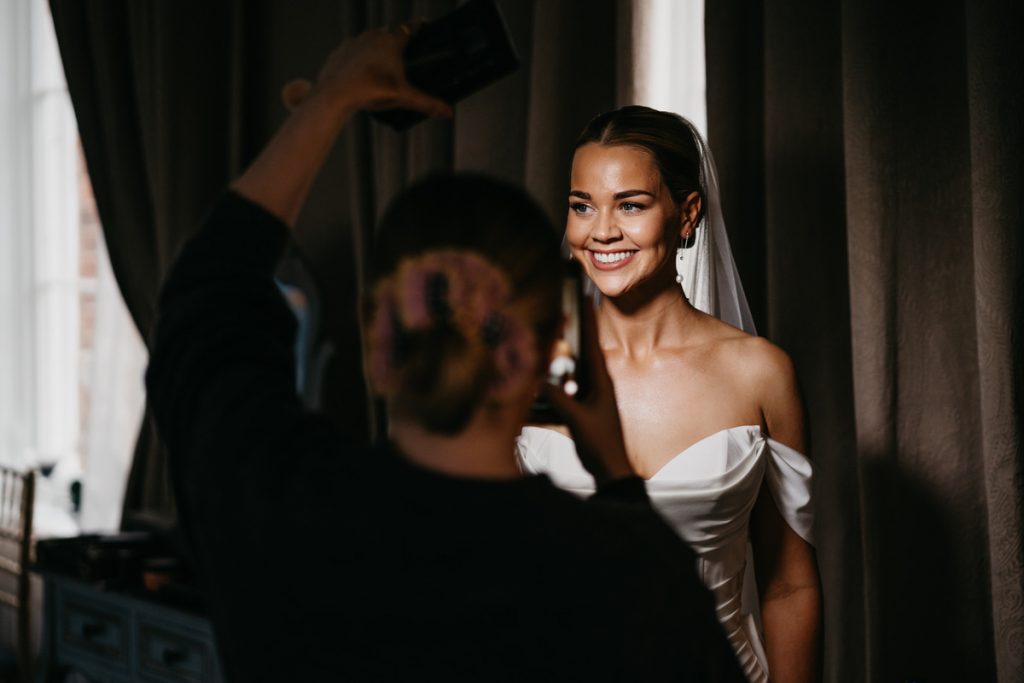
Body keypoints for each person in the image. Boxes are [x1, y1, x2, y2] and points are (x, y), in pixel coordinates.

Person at [146, 26, 746, 681]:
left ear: (374, 331)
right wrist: (621, 482)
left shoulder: (278, 502)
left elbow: (205, 300)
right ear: (553, 349)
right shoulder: (626, 570)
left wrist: (328, 101)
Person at [517, 106, 823, 682]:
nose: (601, 230)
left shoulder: (759, 374)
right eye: (583, 205)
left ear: (687, 214)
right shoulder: (531, 363)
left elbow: (790, 583)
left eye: (630, 205)